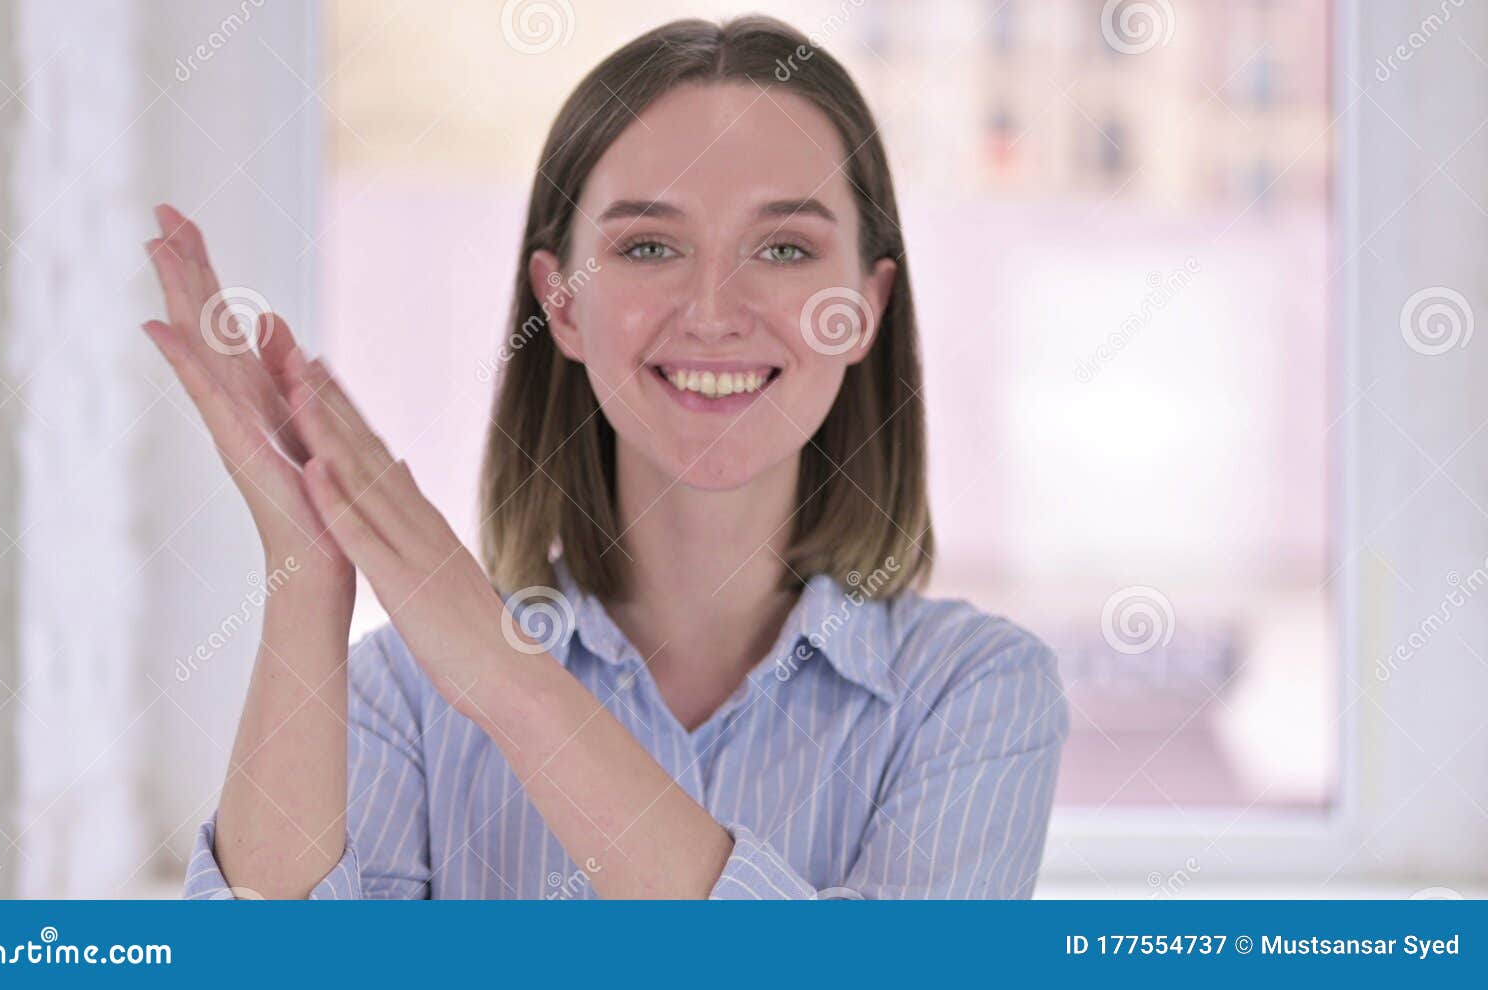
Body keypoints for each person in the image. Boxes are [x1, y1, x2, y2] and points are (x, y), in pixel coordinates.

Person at [142, 15, 1068, 900]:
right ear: (566, 302)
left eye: (784, 246)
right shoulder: (402, 702)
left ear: (864, 305)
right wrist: (307, 574)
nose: (713, 310)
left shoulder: (974, 692)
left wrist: (510, 683)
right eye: (650, 245)